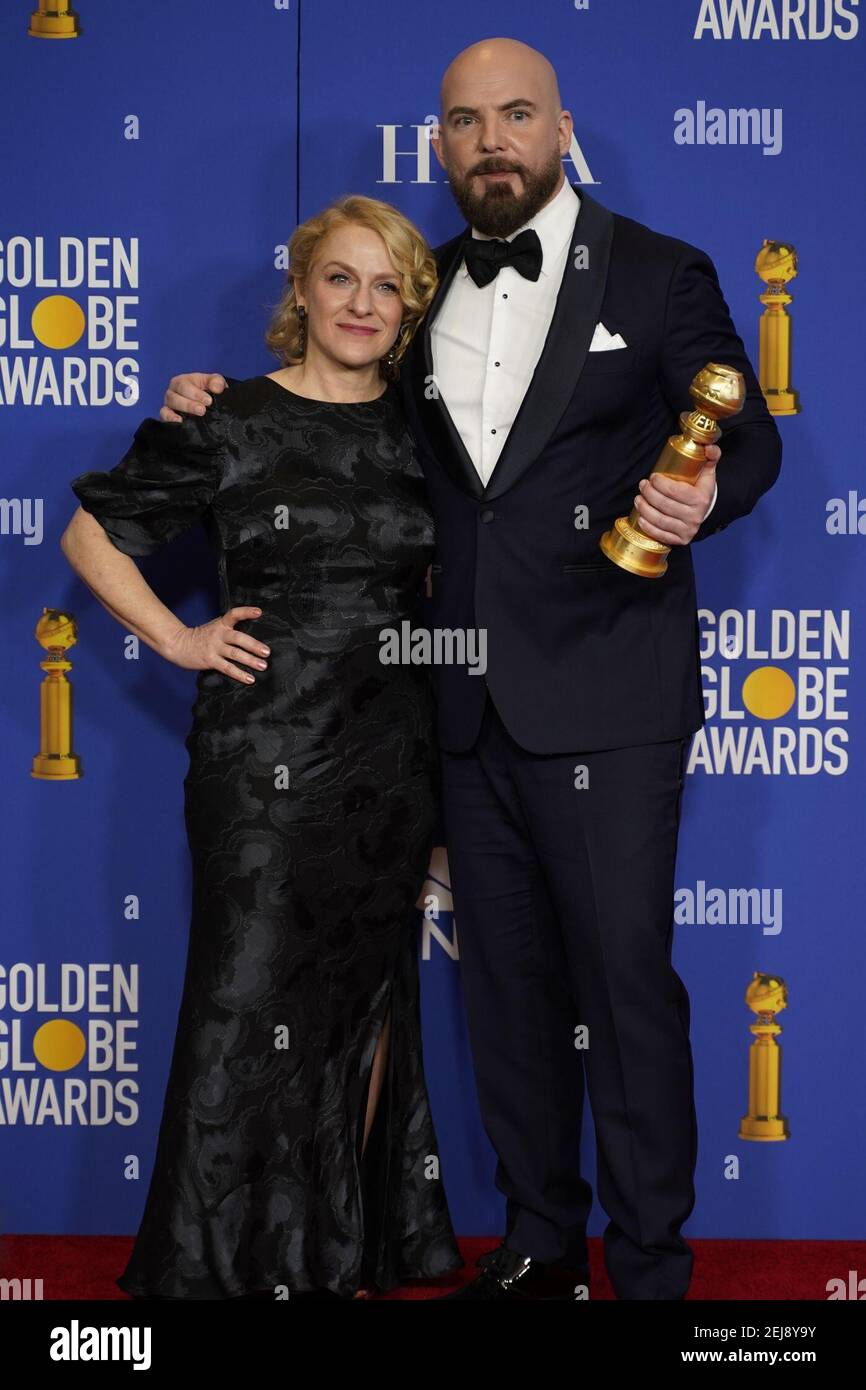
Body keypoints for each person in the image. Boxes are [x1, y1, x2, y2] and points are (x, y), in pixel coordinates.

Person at [161, 38, 782, 1301]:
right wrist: (218, 409)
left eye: (513, 116)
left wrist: (700, 490)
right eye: (461, 122)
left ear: (560, 128)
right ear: (437, 144)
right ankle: (541, 1245)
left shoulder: (661, 273)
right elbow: (331, 403)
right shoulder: (416, 287)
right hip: (453, 700)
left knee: (620, 986)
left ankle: (652, 1267)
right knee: (501, 990)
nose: (488, 140)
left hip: (609, 691)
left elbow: (750, 438)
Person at [60, 194, 462, 1300]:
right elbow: (90, 533)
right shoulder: (225, 417)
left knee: (365, 1007)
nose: (361, 303)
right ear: (299, 289)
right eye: (340, 278)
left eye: (386, 286)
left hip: (389, 764)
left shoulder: (425, 430)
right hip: (262, 768)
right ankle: (208, 1273)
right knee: (244, 1008)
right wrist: (179, 637)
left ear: (409, 306)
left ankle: (331, 1265)